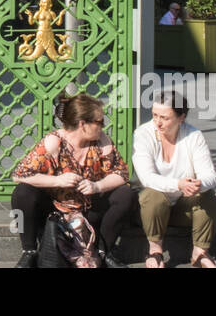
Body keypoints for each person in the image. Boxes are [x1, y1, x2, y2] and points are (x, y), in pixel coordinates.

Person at [11, 92, 134, 268]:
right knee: (23, 192)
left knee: (125, 194)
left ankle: (103, 252)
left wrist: (97, 186)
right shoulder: (55, 141)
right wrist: (58, 181)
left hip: (88, 209)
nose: (103, 125)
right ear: (83, 124)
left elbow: (122, 174)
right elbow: (20, 174)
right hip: (56, 210)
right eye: (99, 121)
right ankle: (29, 251)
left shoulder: (102, 142)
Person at [133, 90, 216, 267]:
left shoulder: (193, 135)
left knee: (210, 196)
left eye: (165, 118)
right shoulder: (143, 134)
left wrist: (199, 184)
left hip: (184, 207)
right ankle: (155, 251)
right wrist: (178, 184)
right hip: (152, 211)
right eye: (154, 115)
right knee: (153, 195)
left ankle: (200, 253)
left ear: (181, 117)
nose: (157, 123)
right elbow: (146, 177)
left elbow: (210, 175)